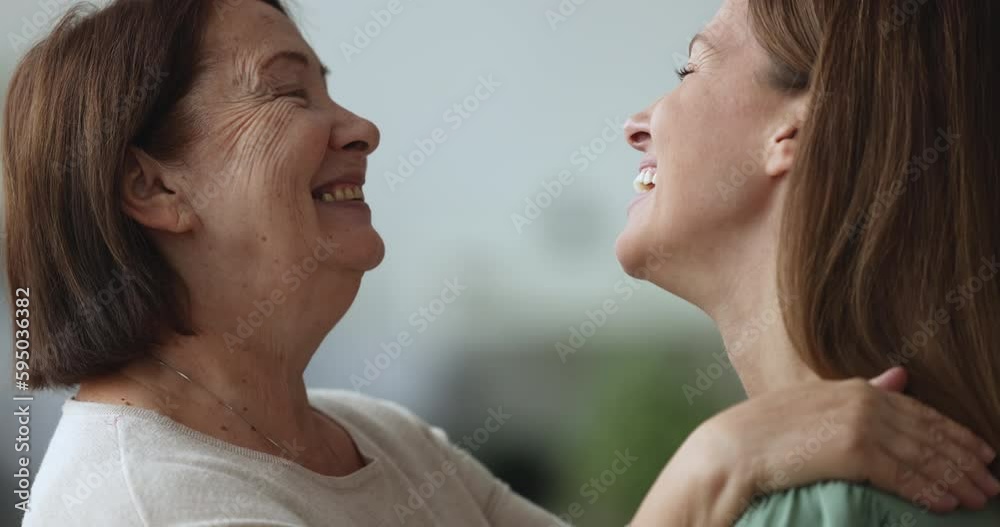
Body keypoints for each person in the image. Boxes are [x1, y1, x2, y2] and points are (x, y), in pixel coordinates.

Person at [3, 0, 995, 525]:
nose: (362, 129)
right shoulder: (138, 505)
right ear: (154, 188)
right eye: (287, 93)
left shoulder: (376, 441)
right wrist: (718, 455)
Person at [620, 0, 1000, 525]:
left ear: (797, 129)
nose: (633, 127)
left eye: (689, 71)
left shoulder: (821, 508)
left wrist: (712, 466)